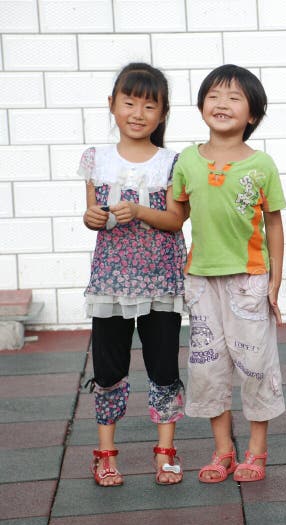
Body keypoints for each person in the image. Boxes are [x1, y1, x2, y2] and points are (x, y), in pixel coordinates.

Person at [172, 64, 286, 482]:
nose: (222, 103)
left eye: (235, 97)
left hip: (249, 278)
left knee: (255, 364)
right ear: (201, 104)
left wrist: (275, 281)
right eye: (214, 95)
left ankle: (256, 451)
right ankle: (222, 451)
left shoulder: (262, 165)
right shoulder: (186, 160)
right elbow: (175, 214)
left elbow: (274, 223)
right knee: (208, 366)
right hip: (200, 280)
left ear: (252, 115)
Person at [81, 62, 186, 486]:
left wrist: (141, 211)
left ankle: (165, 453)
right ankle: (105, 454)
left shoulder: (173, 162)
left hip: (161, 281)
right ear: (112, 105)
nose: (138, 113)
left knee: (163, 366)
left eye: (149, 105)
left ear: (162, 114)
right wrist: (93, 217)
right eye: (129, 102)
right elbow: (93, 217)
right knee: (108, 368)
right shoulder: (96, 159)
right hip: (110, 282)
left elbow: (177, 220)